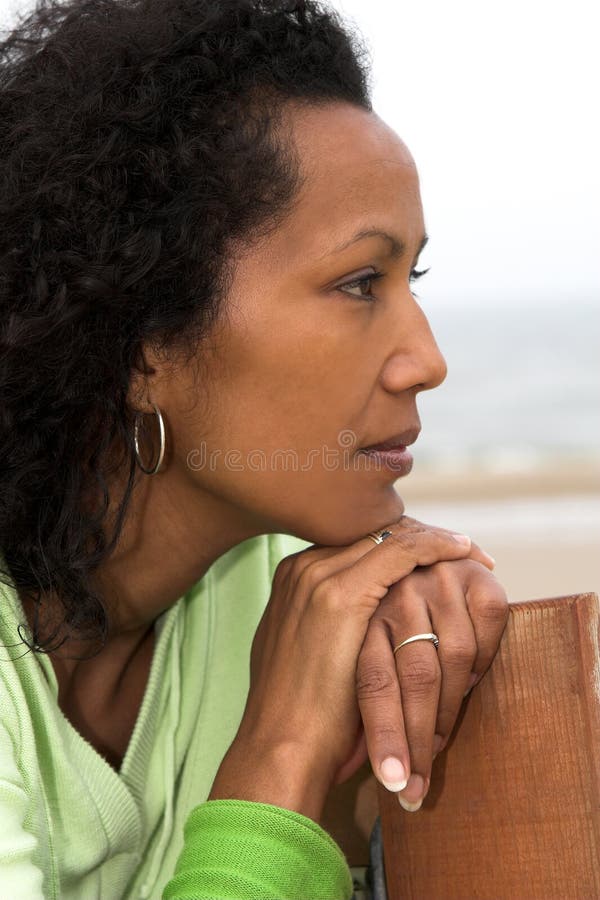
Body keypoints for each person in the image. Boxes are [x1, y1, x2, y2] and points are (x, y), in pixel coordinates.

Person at [0, 0, 509, 897]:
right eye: (360, 282)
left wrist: (406, 584)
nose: (426, 362)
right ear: (147, 337)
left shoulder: (290, 601)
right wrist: (278, 756)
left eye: (411, 278)